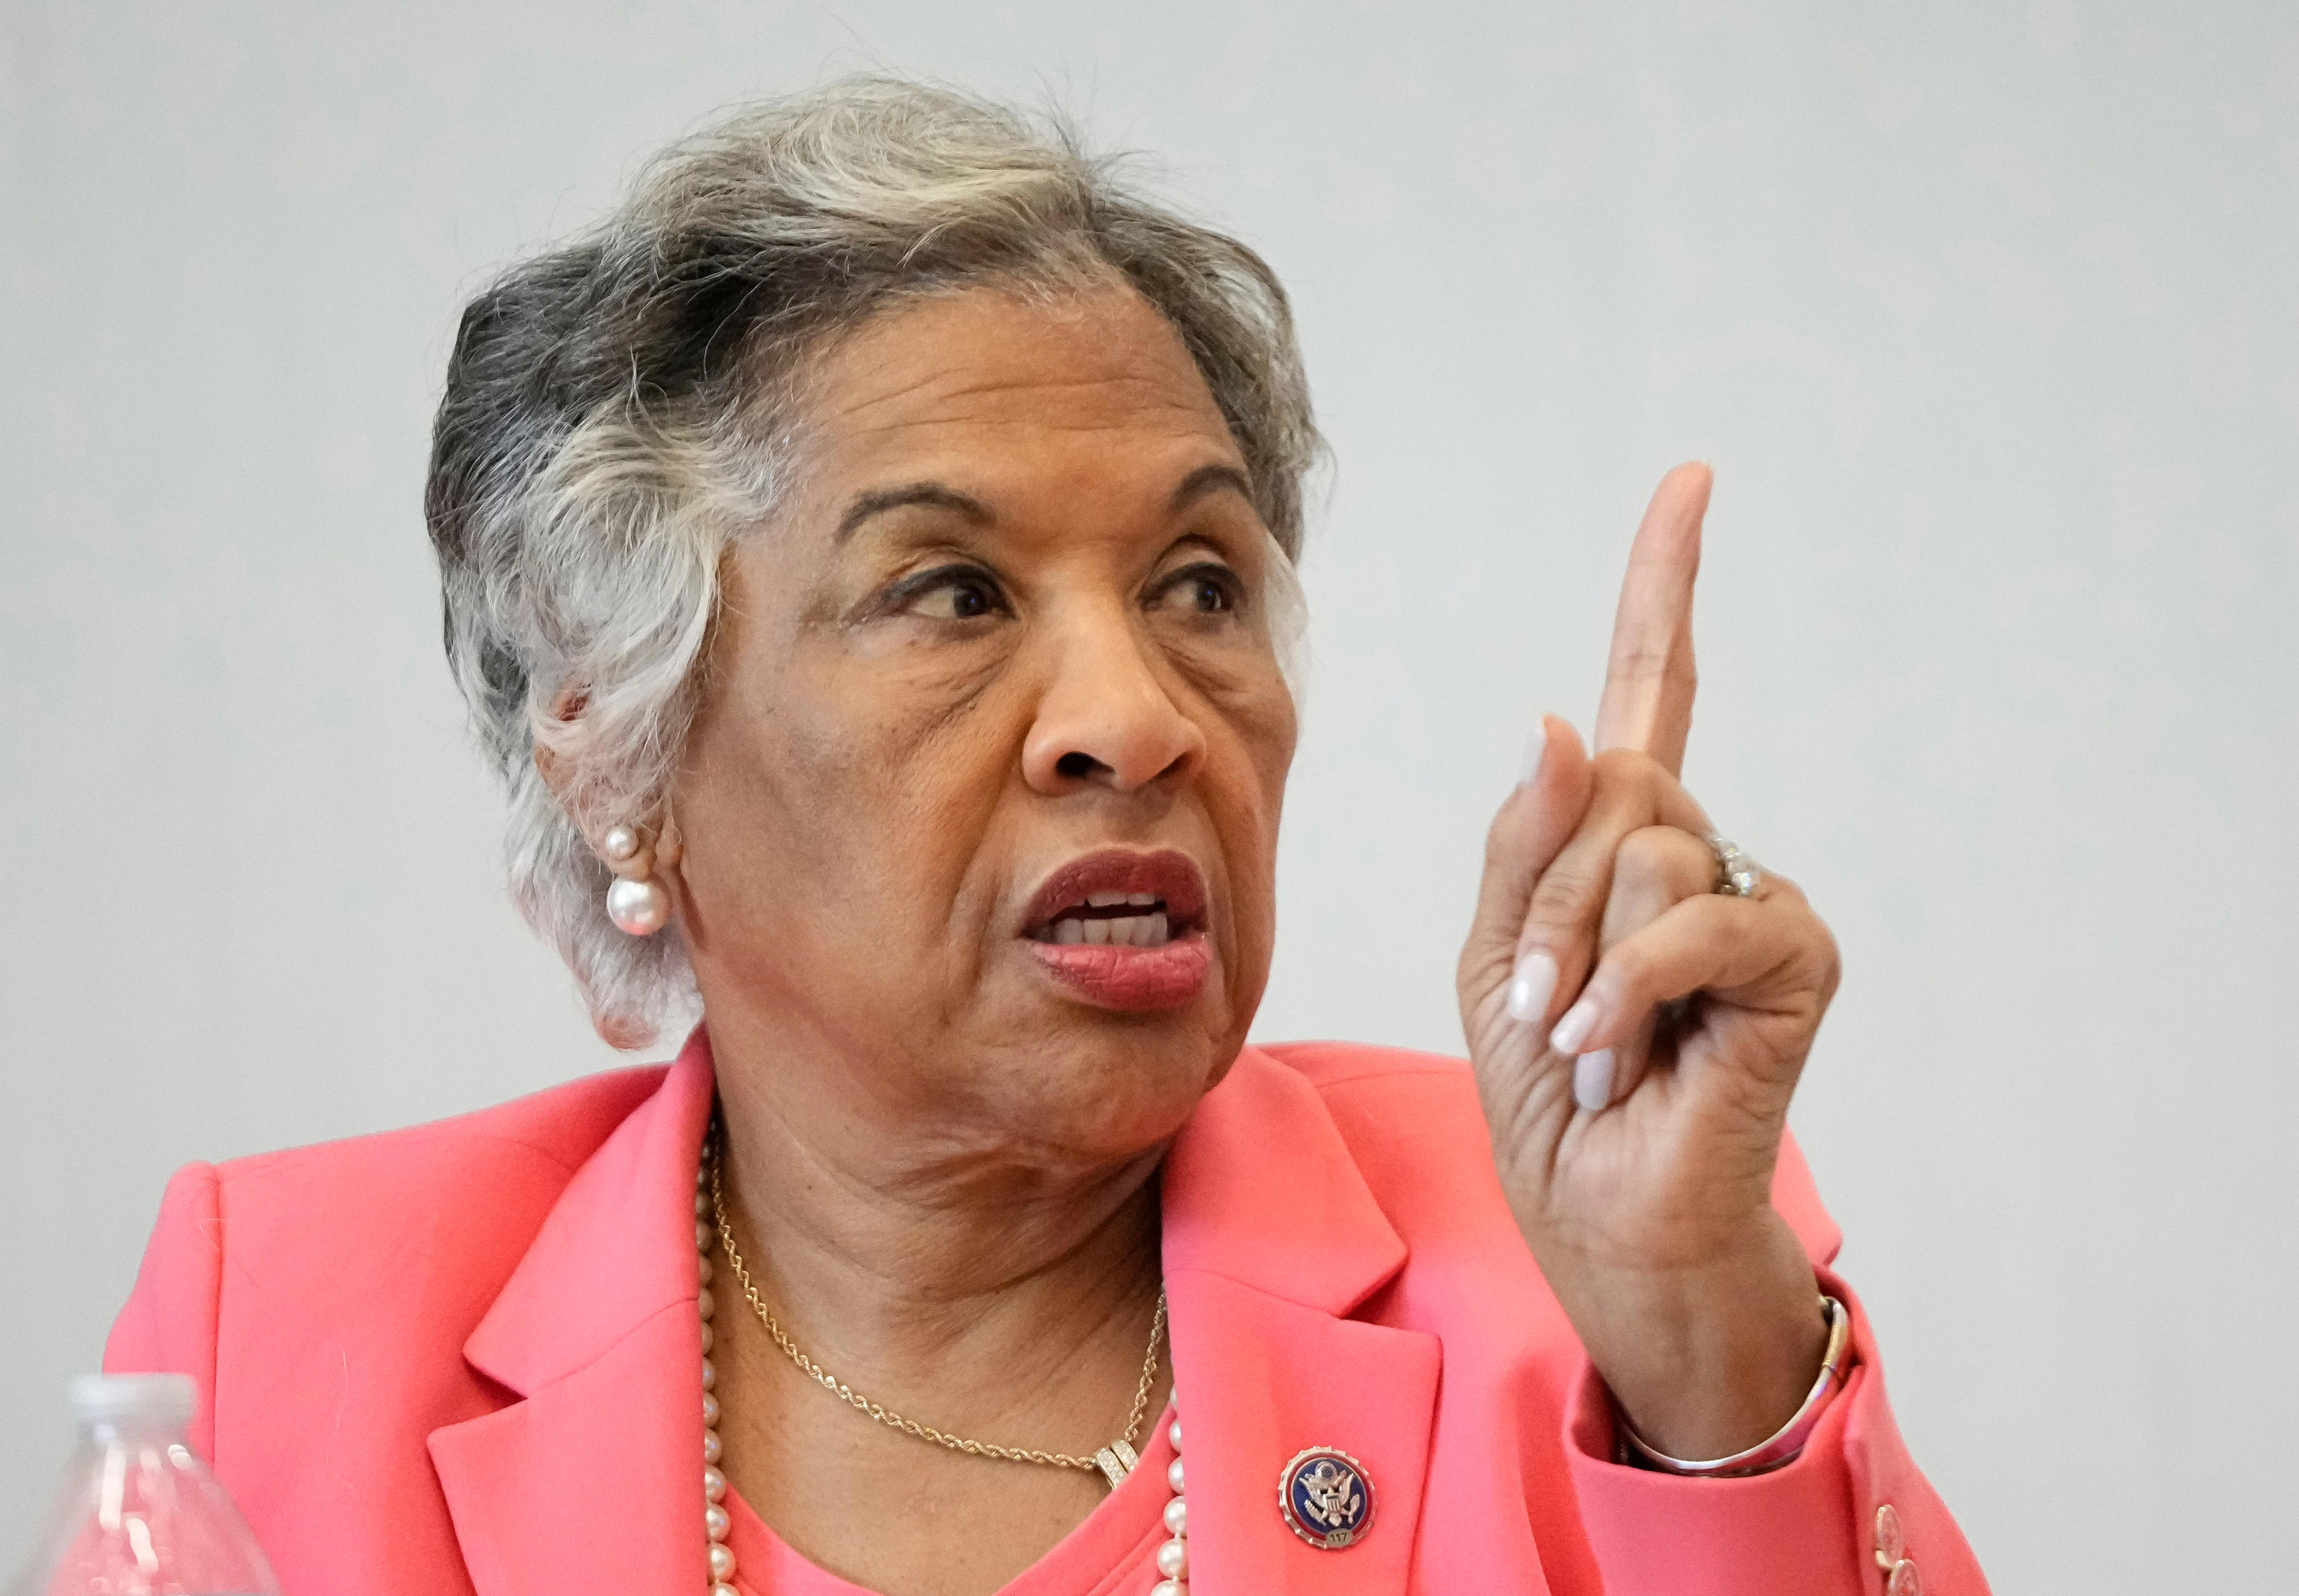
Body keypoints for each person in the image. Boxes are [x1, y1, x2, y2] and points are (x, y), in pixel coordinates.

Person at [105, 79, 1988, 1596]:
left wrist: (1698, 1359)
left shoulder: (1574, 1261)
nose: (1141, 714)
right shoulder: (283, 1320)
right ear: (626, 759)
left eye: (1197, 579)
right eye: (952, 592)